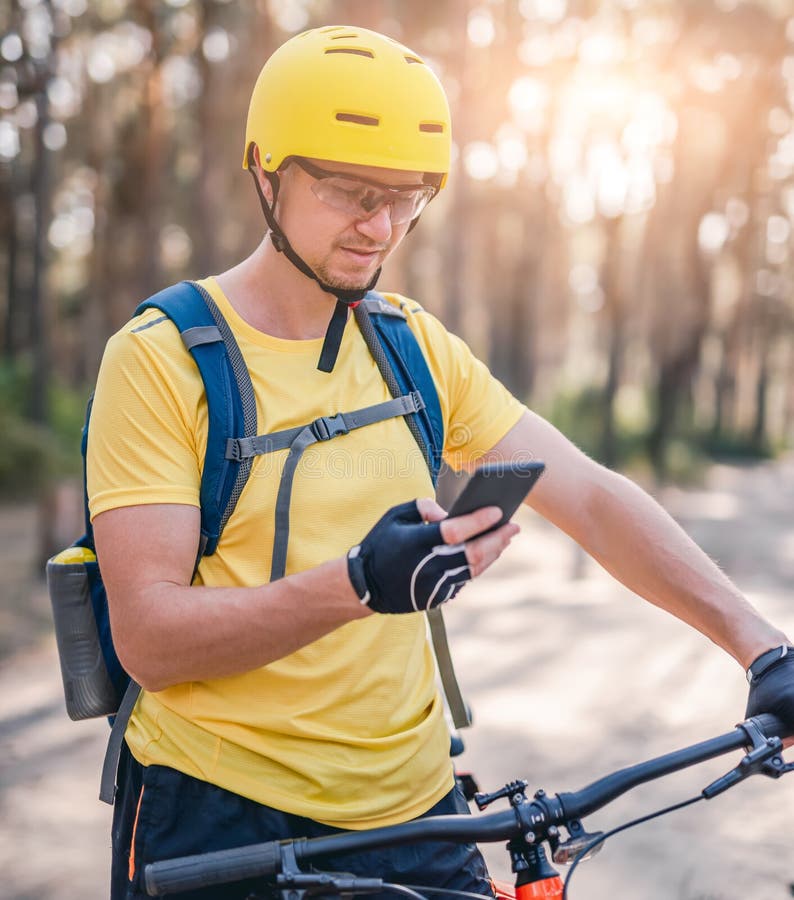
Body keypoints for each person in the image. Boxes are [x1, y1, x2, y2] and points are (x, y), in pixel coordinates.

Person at [88, 25, 794, 900]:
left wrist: (760, 646)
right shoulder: (161, 359)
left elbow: (592, 497)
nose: (380, 226)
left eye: (408, 196)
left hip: (418, 816)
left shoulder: (410, 346)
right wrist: (355, 583)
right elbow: (149, 640)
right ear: (265, 170)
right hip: (224, 822)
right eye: (348, 190)